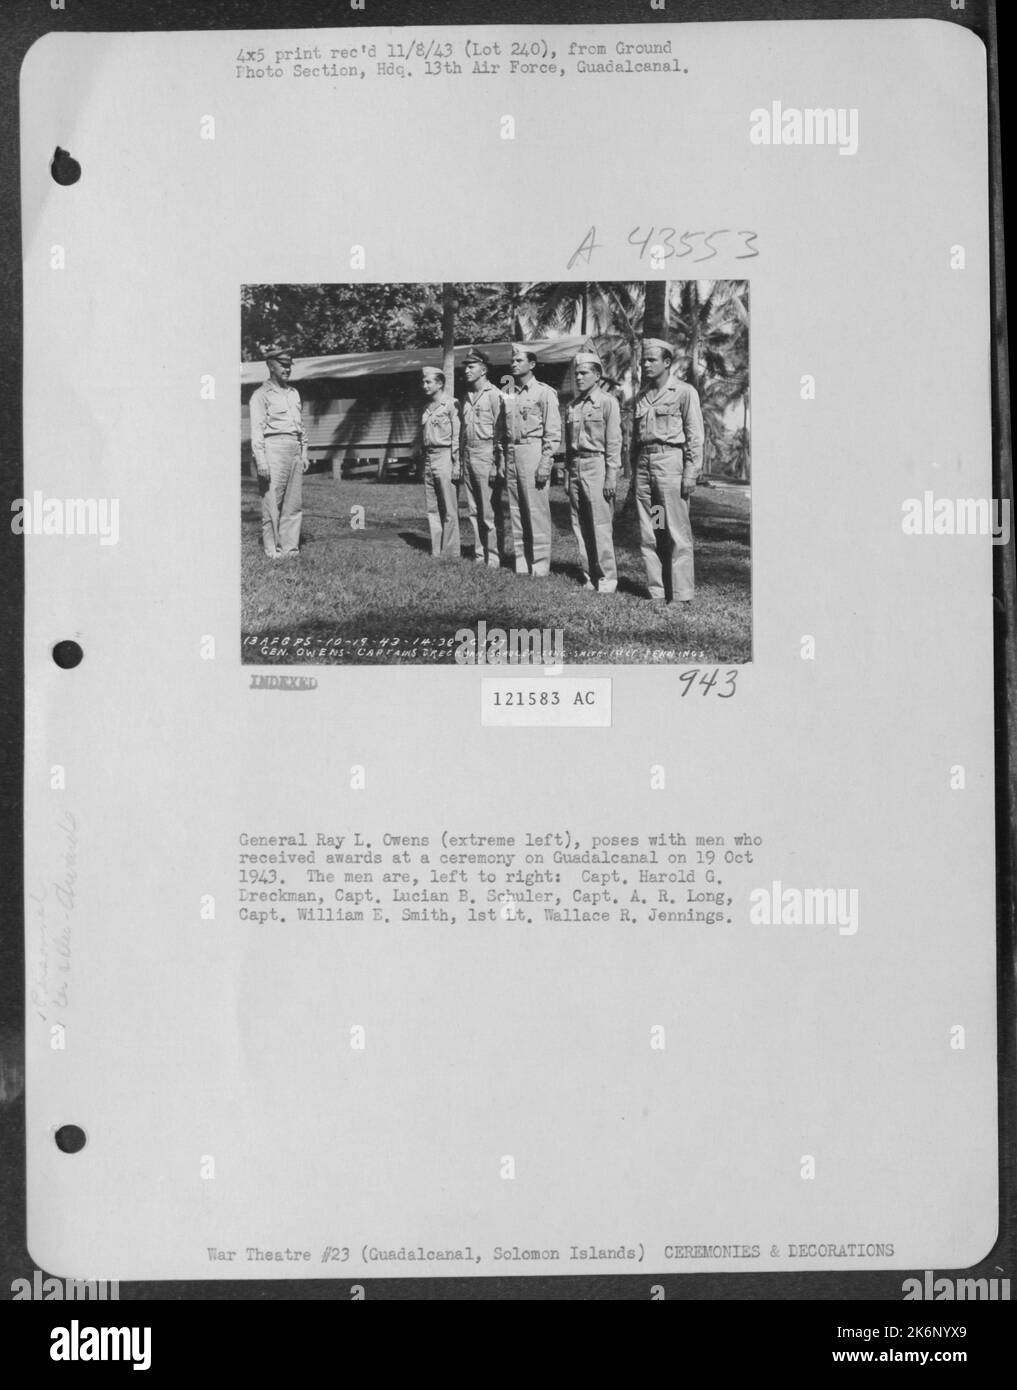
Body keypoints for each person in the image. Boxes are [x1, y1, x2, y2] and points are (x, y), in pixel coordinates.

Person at [631, 338, 704, 604]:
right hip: (645, 467)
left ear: (667, 362)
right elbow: (633, 440)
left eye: (651, 360)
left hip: (670, 465)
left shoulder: (683, 393)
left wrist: (691, 472)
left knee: (677, 532)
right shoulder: (640, 397)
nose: (646, 365)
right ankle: (658, 591)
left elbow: (695, 435)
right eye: (643, 361)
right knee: (653, 529)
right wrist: (633, 472)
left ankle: (681, 595)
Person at [565, 352, 621, 593]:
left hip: (597, 465)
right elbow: (568, 446)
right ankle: (589, 575)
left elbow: (614, 442)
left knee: (600, 524)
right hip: (577, 466)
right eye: (576, 373)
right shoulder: (572, 406)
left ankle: (607, 578)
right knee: (581, 525)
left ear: (597, 376)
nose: (578, 377)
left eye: (584, 373)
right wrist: (568, 475)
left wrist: (611, 476)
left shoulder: (608, 402)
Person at [503, 345, 561, 577]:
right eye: (513, 361)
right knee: (517, 510)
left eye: (519, 360)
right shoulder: (508, 391)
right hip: (512, 452)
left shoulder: (543, 392)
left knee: (536, 510)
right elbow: (502, 426)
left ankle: (539, 565)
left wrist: (545, 462)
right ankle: (522, 563)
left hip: (533, 450)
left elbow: (553, 431)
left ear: (532, 364)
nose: (514, 364)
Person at [249, 345, 309, 559]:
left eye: (289, 365)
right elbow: (257, 431)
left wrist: (304, 452)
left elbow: (300, 425)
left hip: (293, 448)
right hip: (273, 449)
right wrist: (261, 460)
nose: (287, 369)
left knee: (293, 503)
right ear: (270, 366)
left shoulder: (294, 393)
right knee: (272, 502)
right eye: (282, 365)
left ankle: (290, 548)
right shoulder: (260, 395)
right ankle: (272, 550)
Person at [460, 348, 510, 567]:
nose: (467, 370)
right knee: (473, 509)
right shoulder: (466, 396)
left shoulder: (495, 395)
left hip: (486, 452)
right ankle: (480, 555)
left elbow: (502, 431)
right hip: (469, 452)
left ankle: (494, 556)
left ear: (483, 369)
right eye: (466, 366)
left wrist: (496, 463)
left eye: (471, 366)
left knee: (489, 509)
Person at [420, 367, 461, 558]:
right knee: (432, 506)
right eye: (424, 382)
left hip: (445, 456)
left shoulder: (452, 405)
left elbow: (457, 436)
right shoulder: (427, 408)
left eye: (428, 382)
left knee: (449, 507)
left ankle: (450, 552)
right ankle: (436, 550)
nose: (424, 385)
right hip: (429, 457)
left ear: (440, 383)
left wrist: (457, 462)